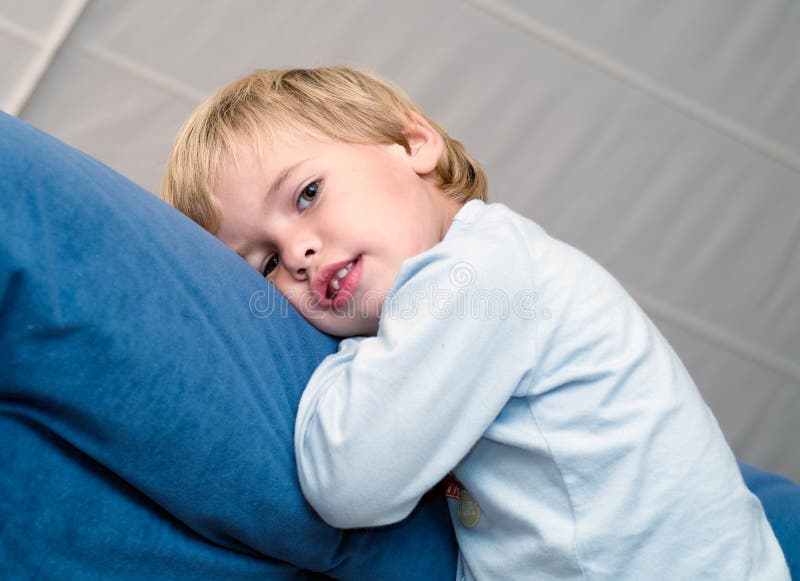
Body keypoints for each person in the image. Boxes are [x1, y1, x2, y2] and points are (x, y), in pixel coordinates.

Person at [160, 67, 789, 580]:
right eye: (265, 261)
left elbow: (348, 480)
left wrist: (338, 367)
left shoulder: (473, 276)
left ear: (414, 145)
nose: (297, 252)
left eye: (306, 194)